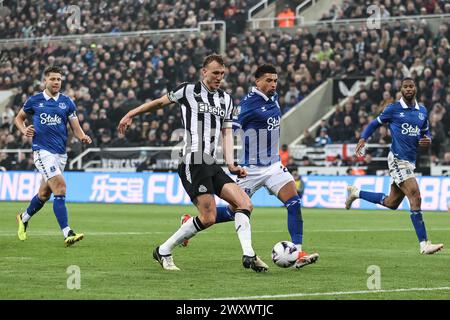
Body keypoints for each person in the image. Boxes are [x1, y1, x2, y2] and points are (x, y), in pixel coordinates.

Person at [118, 54, 268, 272]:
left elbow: (226, 134)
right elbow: (159, 103)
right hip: (193, 159)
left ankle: (249, 254)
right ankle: (164, 250)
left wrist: (231, 164)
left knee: (244, 203)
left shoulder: (225, 100)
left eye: (222, 74)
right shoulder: (187, 90)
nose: (219, 77)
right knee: (208, 218)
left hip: (212, 162)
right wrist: (131, 113)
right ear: (204, 72)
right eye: (215, 73)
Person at [183, 64, 319, 269]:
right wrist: (231, 160)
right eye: (268, 80)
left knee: (294, 203)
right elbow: (229, 129)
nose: (273, 84)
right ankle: (189, 223)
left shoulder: (273, 97)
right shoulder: (248, 105)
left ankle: (297, 252)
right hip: (251, 169)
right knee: (234, 210)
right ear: (257, 81)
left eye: (275, 80)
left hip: (273, 166)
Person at [346, 78, 444, 255]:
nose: (408, 89)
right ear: (401, 90)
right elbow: (374, 123)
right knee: (415, 194)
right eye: (405, 87)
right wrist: (363, 138)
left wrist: (427, 139)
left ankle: (356, 193)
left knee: (392, 202)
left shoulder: (422, 111)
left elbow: (426, 132)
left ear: (415, 88)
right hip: (397, 159)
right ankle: (424, 244)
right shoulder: (393, 109)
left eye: (411, 86)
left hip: (410, 161)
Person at [14, 66, 92, 246]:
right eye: (53, 79)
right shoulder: (35, 100)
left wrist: (83, 136)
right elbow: (18, 118)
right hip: (42, 151)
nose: (56, 82)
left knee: (44, 193)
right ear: (45, 81)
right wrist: (24, 129)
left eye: (59, 79)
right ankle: (67, 233)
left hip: (60, 154)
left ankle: (23, 218)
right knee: (60, 187)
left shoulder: (67, 102)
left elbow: (75, 126)